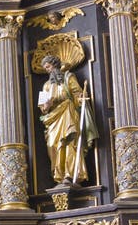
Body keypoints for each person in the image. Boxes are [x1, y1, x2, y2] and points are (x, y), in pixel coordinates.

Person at [38, 54, 98, 185]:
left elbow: (77, 94)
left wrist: (80, 97)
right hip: (53, 118)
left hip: (68, 112)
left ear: (55, 65)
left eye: (48, 67)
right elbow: (43, 108)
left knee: (68, 142)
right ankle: (58, 173)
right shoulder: (47, 85)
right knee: (52, 144)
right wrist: (46, 107)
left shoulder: (68, 77)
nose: (47, 70)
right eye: (45, 68)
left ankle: (70, 174)